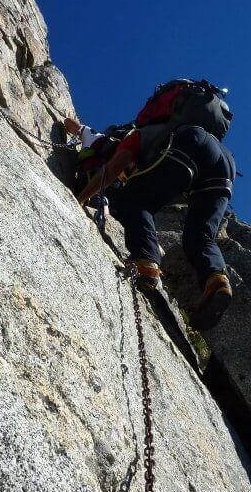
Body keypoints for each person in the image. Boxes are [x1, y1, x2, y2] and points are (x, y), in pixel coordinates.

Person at [76, 81, 236, 331]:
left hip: (191, 143)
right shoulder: (176, 131)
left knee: (135, 200)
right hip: (226, 163)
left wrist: (81, 198)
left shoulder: (140, 134)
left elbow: (112, 169)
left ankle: (148, 264)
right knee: (200, 236)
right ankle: (216, 279)